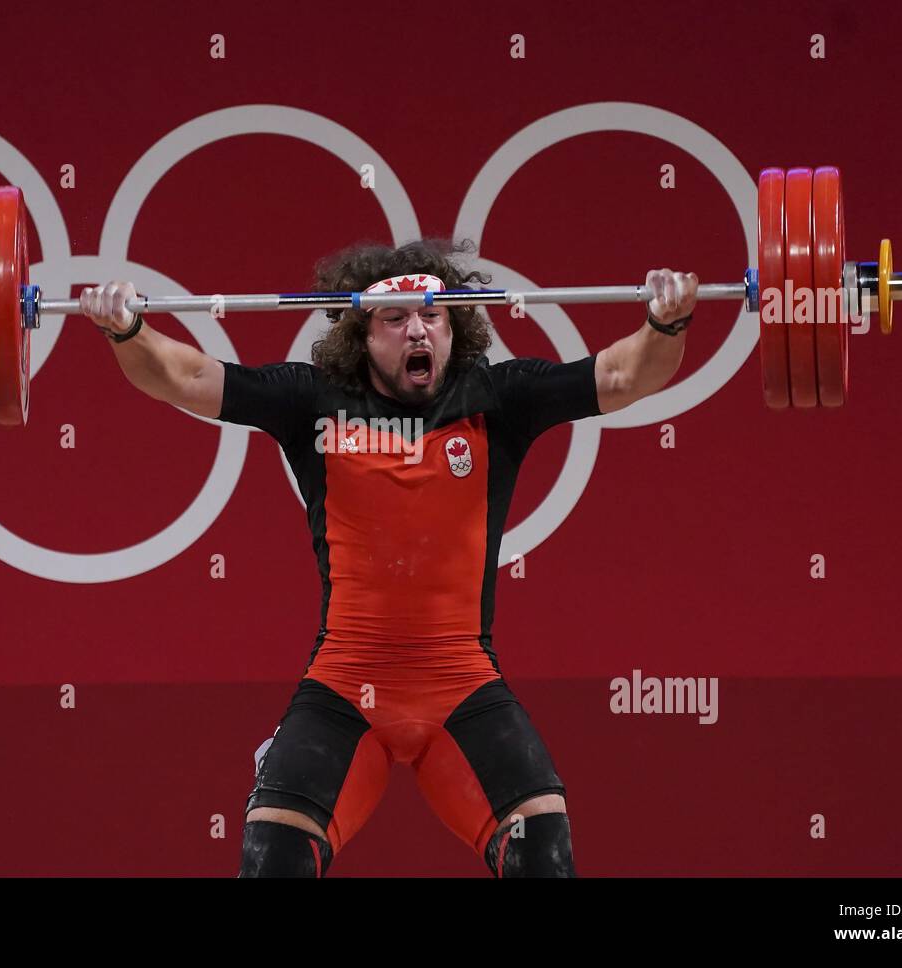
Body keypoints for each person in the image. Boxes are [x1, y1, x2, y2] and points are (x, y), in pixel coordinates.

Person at [81, 239, 697, 877]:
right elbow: (184, 377)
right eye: (395, 318)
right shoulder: (310, 401)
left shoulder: (501, 399)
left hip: (462, 686)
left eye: (432, 315)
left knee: (544, 853)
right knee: (273, 861)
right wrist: (128, 330)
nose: (417, 328)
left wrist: (667, 321)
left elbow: (627, 375)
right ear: (362, 336)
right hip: (344, 687)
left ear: (454, 326)